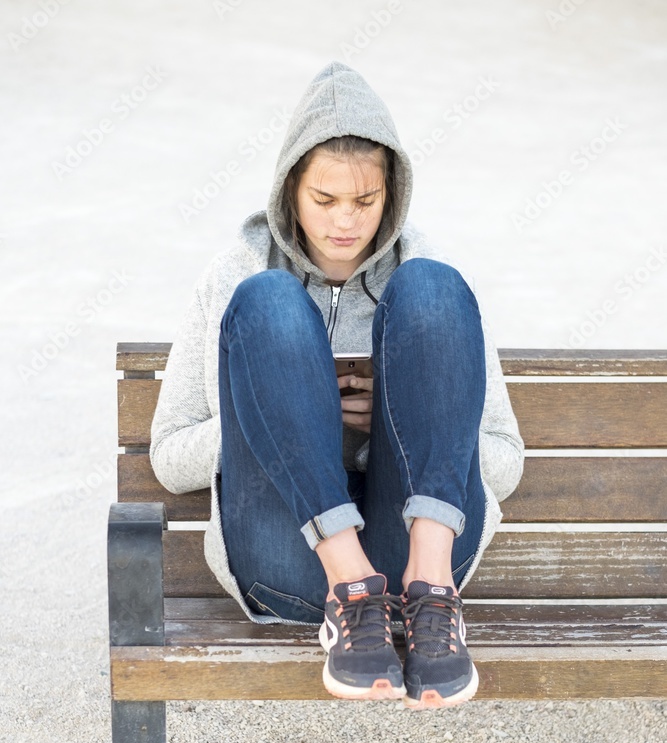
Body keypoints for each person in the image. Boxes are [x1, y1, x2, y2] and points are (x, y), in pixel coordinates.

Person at [150, 62, 524, 710]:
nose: (344, 222)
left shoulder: (424, 268)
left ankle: (436, 598)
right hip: (290, 559)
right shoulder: (234, 272)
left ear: (393, 194)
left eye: (365, 201)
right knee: (266, 302)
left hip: (418, 556)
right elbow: (170, 457)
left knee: (433, 287)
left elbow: (504, 462)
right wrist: (281, 416)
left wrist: (397, 419)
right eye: (324, 200)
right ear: (290, 190)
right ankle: (351, 591)